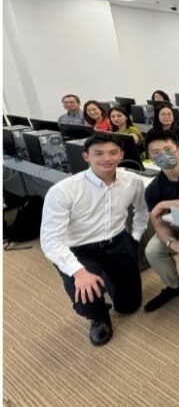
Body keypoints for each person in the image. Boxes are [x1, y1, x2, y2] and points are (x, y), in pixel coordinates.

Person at [40, 134, 148, 345]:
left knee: (129, 306)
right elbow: (50, 241)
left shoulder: (132, 181)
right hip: (80, 250)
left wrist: (135, 238)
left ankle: (109, 281)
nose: (107, 158)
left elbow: (142, 210)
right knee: (86, 294)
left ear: (122, 155)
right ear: (86, 156)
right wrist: (79, 272)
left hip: (118, 242)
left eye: (113, 152)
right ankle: (98, 316)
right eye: (98, 153)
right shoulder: (63, 190)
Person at [142, 130, 179, 312]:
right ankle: (174, 286)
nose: (163, 155)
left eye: (167, 149)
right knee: (153, 251)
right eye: (156, 152)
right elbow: (157, 221)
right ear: (150, 157)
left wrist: (167, 204)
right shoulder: (153, 189)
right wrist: (173, 243)